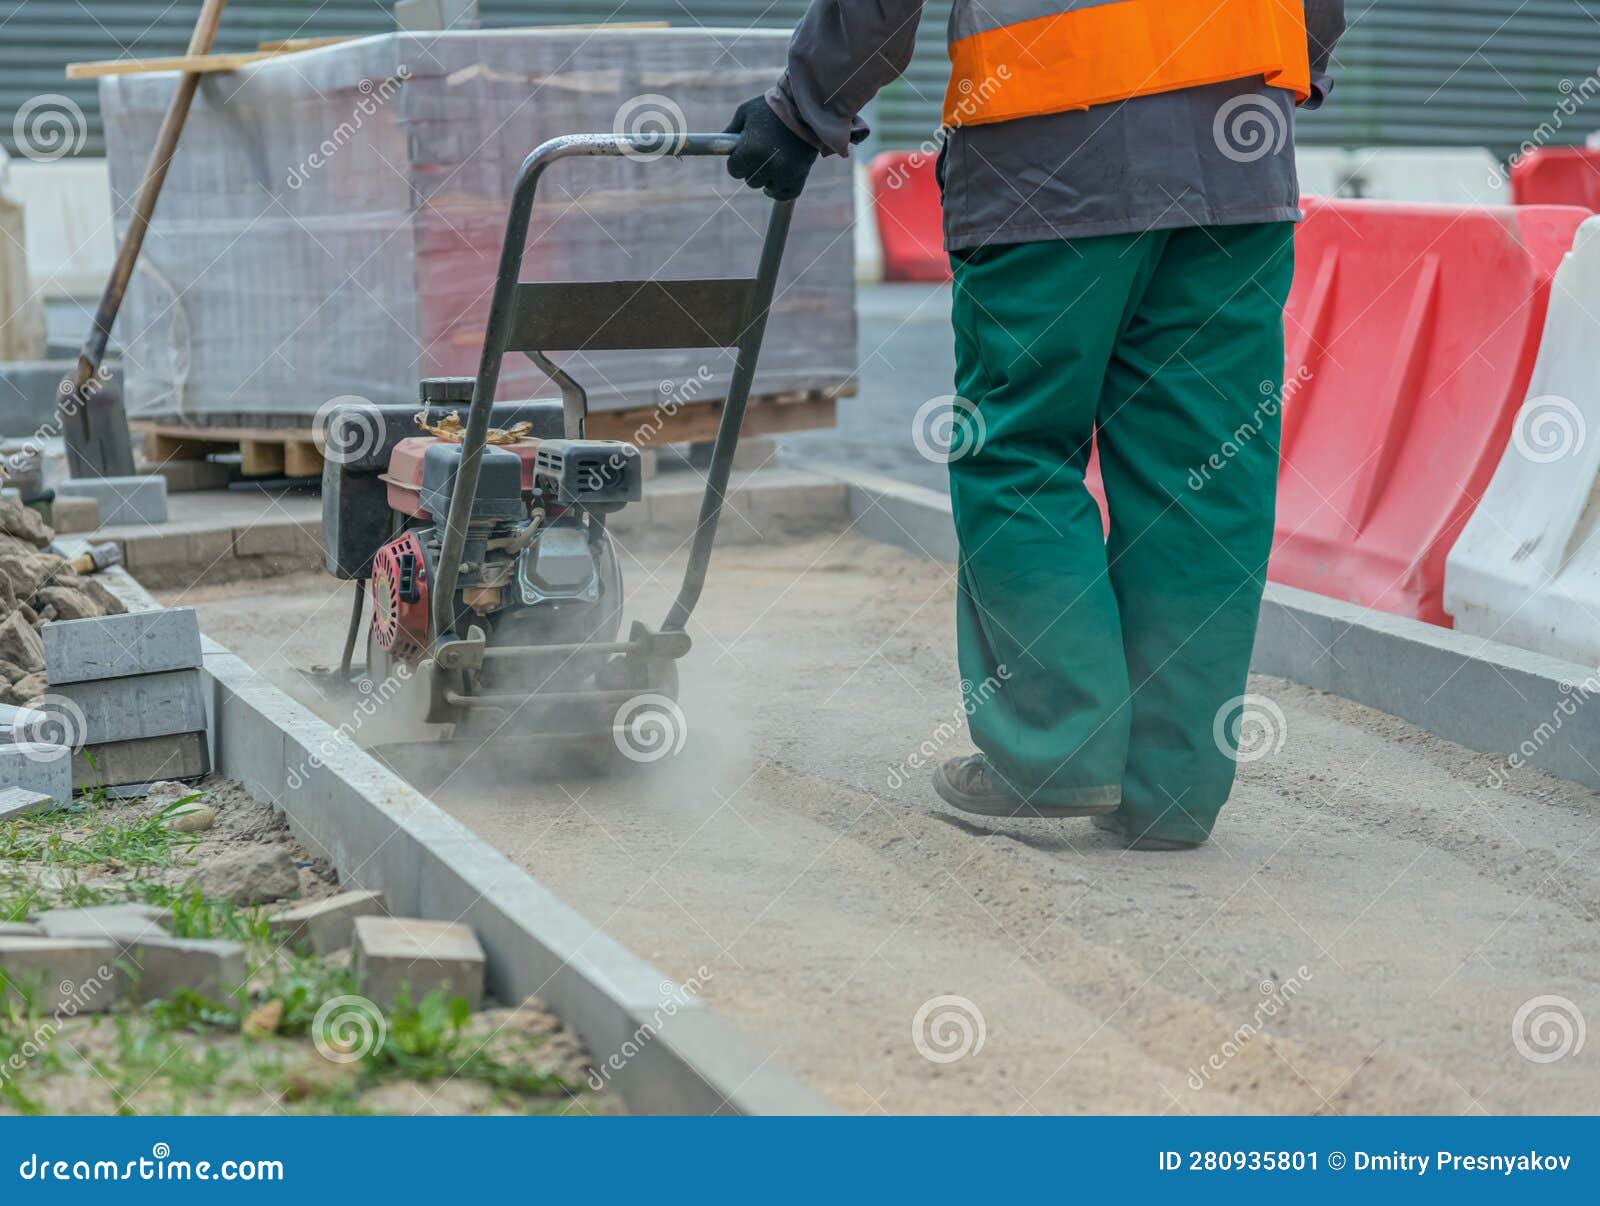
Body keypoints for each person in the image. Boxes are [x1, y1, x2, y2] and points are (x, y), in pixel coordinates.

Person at [725, 1, 1345, 850]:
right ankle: (1172, 786)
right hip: (1237, 156)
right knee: (1203, 475)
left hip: (1049, 147)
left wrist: (805, 105)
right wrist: (1296, 59)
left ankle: (1060, 749)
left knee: (1016, 451)